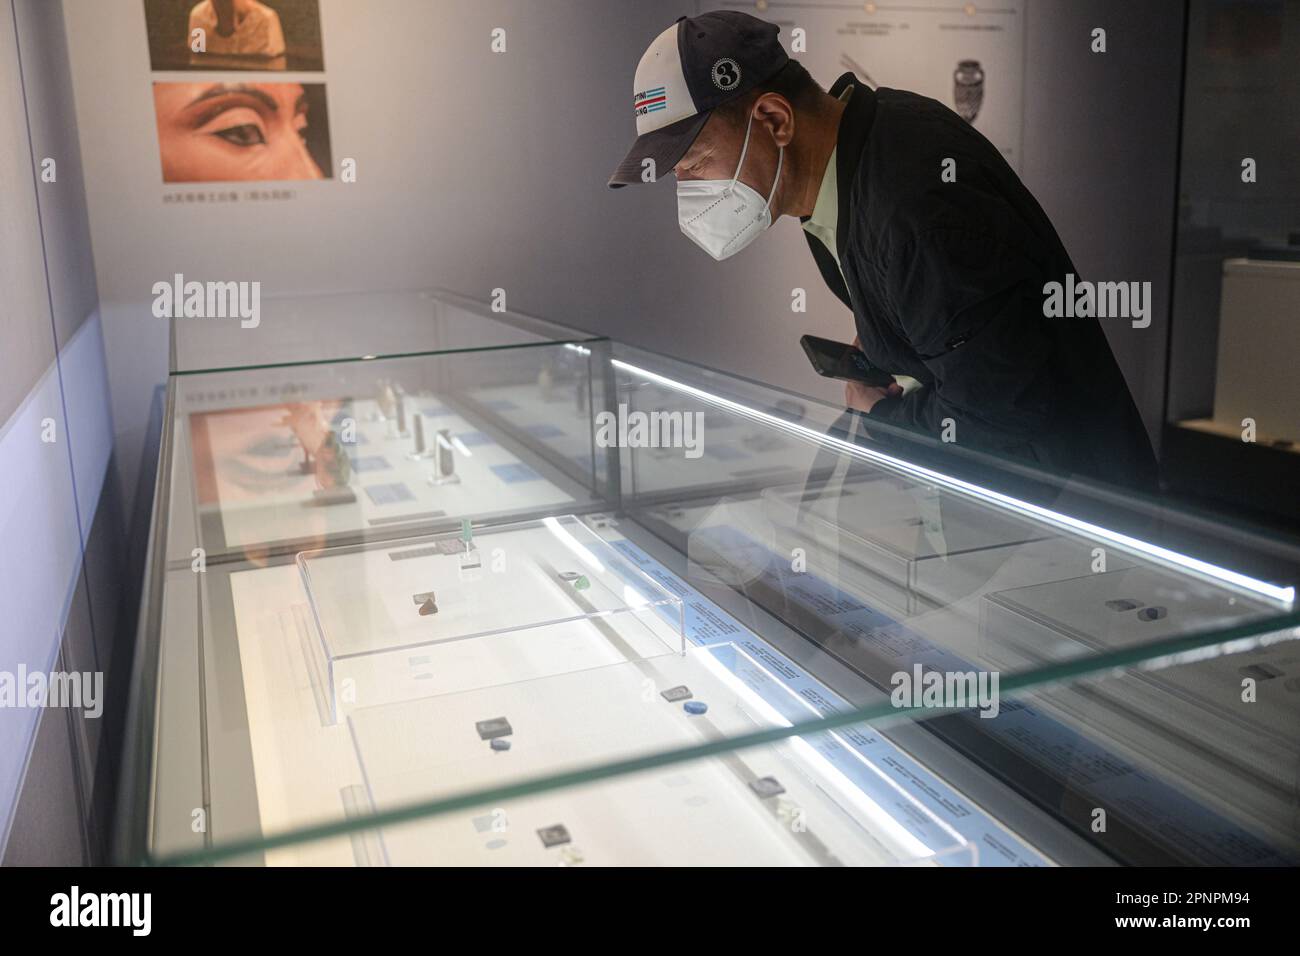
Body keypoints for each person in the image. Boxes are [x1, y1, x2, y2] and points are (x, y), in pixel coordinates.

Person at [608, 11, 1158, 490]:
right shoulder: (862, 145)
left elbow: (1000, 427)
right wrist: (890, 334)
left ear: (774, 120)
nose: (690, 192)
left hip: (1068, 530)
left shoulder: (916, 210)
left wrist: (885, 417)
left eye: (696, 164)